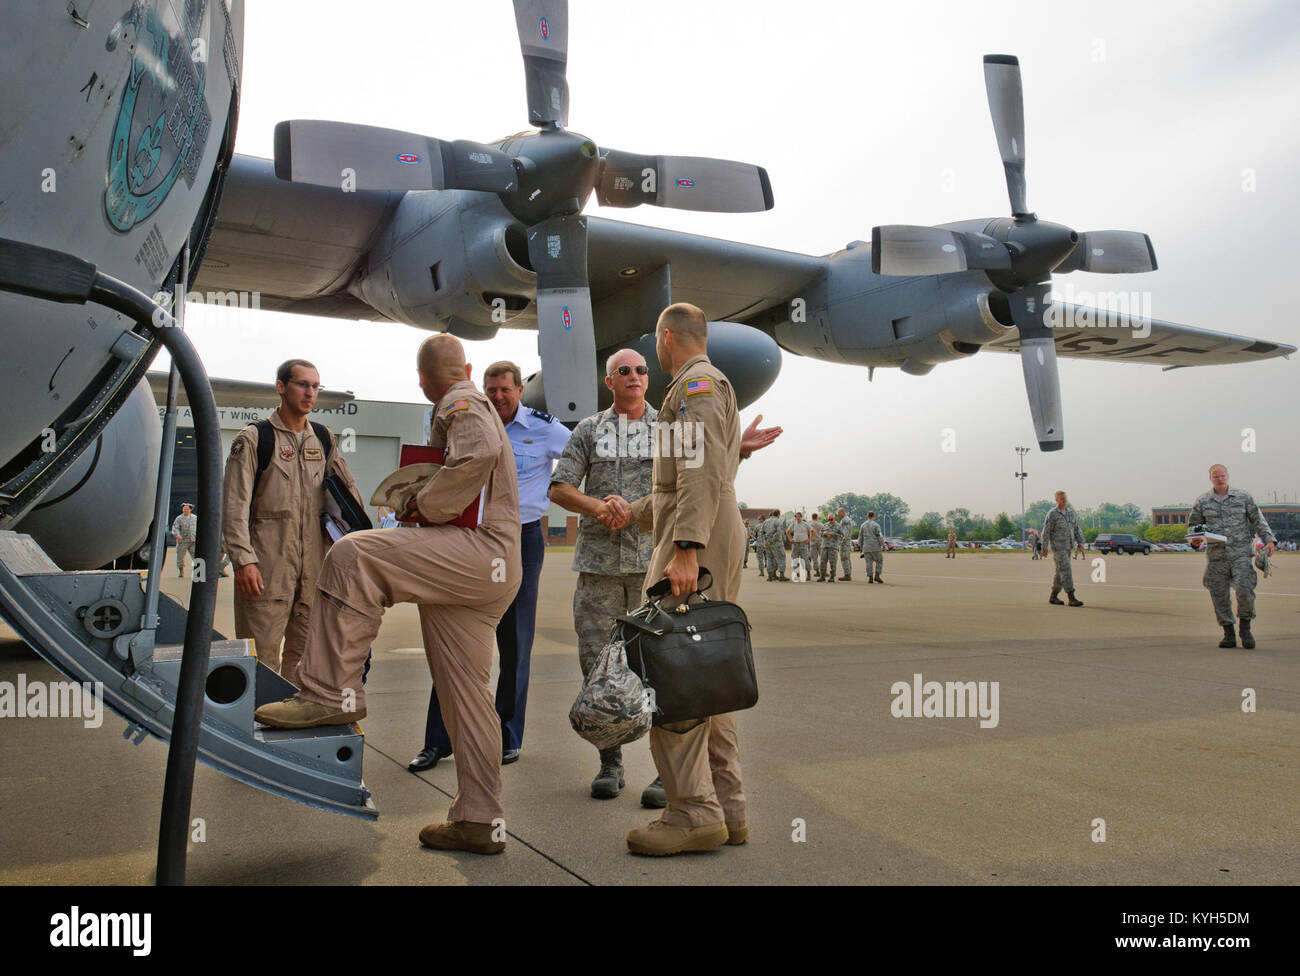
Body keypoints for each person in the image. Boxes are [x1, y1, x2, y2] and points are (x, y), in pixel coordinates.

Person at [255, 335, 522, 855]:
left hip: (476, 550)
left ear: (423, 378)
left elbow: (481, 453)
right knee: (466, 697)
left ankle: (331, 694)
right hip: (489, 566)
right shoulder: (471, 397)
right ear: (465, 365)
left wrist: (426, 502)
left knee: (355, 556)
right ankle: (479, 818)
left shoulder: (458, 399)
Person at [620, 302, 749, 856]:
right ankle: (728, 809)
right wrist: (634, 511)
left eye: (655, 342)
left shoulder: (694, 387)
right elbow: (691, 479)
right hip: (700, 528)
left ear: (666, 337)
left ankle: (692, 813)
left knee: (673, 673)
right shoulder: (704, 386)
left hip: (695, 541)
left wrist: (686, 549)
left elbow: (697, 471)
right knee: (709, 671)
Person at [412, 361, 570, 771]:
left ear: (520, 391)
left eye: (505, 389)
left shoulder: (545, 428)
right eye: (491, 389)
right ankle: (437, 741)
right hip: (468, 540)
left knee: (515, 644)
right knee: (453, 638)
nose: (498, 397)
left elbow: (584, 454)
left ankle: (506, 738)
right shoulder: (464, 419)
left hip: (522, 538)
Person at [547, 348, 665, 807]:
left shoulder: (666, 430)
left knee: (662, 666)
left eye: (640, 370)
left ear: (646, 380)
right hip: (597, 572)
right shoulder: (589, 431)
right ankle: (610, 761)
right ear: (609, 381)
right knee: (597, 666)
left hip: (652, 569)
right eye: (624, 371)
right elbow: (560, 486)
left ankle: (665, 769)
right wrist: (599, 507)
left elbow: (686, 487)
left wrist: (634, 513)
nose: (633, 375)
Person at [222, 359, 361, 679]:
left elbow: (349, 498)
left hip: (313, 569)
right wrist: (243, 561)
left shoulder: (323, 439)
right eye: (302, 384)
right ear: (281, 387)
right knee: (261, 660)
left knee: (305, 659)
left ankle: (289, 725)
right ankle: (254, 725)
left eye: (315, 386)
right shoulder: (256, 438)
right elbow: (234, 505)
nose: (310, 393)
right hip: (267, 568)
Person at [1188, 463, 1276, 649]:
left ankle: (1245, 628)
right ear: (1210, 478)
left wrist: (1270, 540)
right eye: (1215, 476)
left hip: (1241, 554)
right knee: (1219, 595)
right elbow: (1195, 526)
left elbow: (1258, 520)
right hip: (1216, 556)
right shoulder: (1202, 501)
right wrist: (1195, 540)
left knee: (1245, 590)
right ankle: (1228, 632)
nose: (1219, 479)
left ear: (1227, 476)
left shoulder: (1243, 497)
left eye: (1222, 476)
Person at [1042, 490, 1086, 607]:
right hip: (1058, 548)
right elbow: (1046, 532)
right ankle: (1071, 597)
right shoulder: (1052, 514)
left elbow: (1076, 528)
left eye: (1065, 498)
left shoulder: (1070, 513)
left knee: (1059, 572)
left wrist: (1081, 542)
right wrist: (1044, 548)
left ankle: (1053, 596)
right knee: (1066, 570)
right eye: (1062, 499)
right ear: (1056, 500)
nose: (1064, 500)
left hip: (1068, 547)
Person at [170, 503, 197, 579]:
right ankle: (181, 570)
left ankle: (196, 571)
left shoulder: (195, 518)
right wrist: (177, 535)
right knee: (180, 557)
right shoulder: (179, 518)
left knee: (196, 556)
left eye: (187, 509)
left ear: (190, 509)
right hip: (183, 541)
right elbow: (175, 528)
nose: (185, 510)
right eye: (184, 509)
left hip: (193, 540)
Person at [860, 510, 884, 582]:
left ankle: (870, 577)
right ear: (873, 516)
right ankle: (877, 576)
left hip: (866, 547)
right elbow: (880, 536)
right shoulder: (876, 525)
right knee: (879, 561)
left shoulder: (863, 525)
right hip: (875, 547)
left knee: (868, 562)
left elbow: (860, 537)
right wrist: (882, 544)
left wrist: (861, 548)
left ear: (867, 516)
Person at [788, 512, 812, 580]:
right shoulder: (793, 523)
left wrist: (809, 539)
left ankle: (809, 573)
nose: (797, 518)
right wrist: (790, 538)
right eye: (796, 517)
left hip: (803, 544)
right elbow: (787, 531)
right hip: (795, 544)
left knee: (805, 559)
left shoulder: (805, 524)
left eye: (799, 517)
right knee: (794, 559)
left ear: (801, 517)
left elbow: (812, 531)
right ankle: (797, 574)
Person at [765, 509, 788, 581]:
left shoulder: (766, 521)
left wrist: (766, 541)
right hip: (777, 544)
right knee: (781, 558)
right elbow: (778, 533)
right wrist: (771, 541)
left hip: (767, 544)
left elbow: (761, 532)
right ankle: (781, 576)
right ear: (779, 514)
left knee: (769, 559)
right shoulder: (778, 521)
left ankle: (770, 576)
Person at [819, 514, 840, 582]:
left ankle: (832, 577)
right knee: (822, 562)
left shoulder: (838, 526)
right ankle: (822, 576)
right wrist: (823, 534)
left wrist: (833, 534)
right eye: (829, 519)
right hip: (824, 546)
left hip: (833, 547)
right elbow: (820, 533)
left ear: (834, 519)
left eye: (831, 519)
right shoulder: (825, 525)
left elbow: (842, 536)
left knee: (833, 563)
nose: (830, 521)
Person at [836, 507, 855, 581]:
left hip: (844, 542)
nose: (838, 515)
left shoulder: (845, 520)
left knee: (844, 558)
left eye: (839, 513)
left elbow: (845, 532)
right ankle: (848, 573)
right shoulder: (845, 519)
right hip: (846, 541)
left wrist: (842, 541)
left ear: (842, 512)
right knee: (846, 558)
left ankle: (847, 575)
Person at [809, 512, 824, 580]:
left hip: (813, 542)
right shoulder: (821, 524)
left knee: (814, 558)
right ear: (817, 517)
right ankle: (823, 571)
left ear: (812, 517)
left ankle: (817, 571)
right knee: (822, 557)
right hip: (820, 541)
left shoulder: (810, 524)